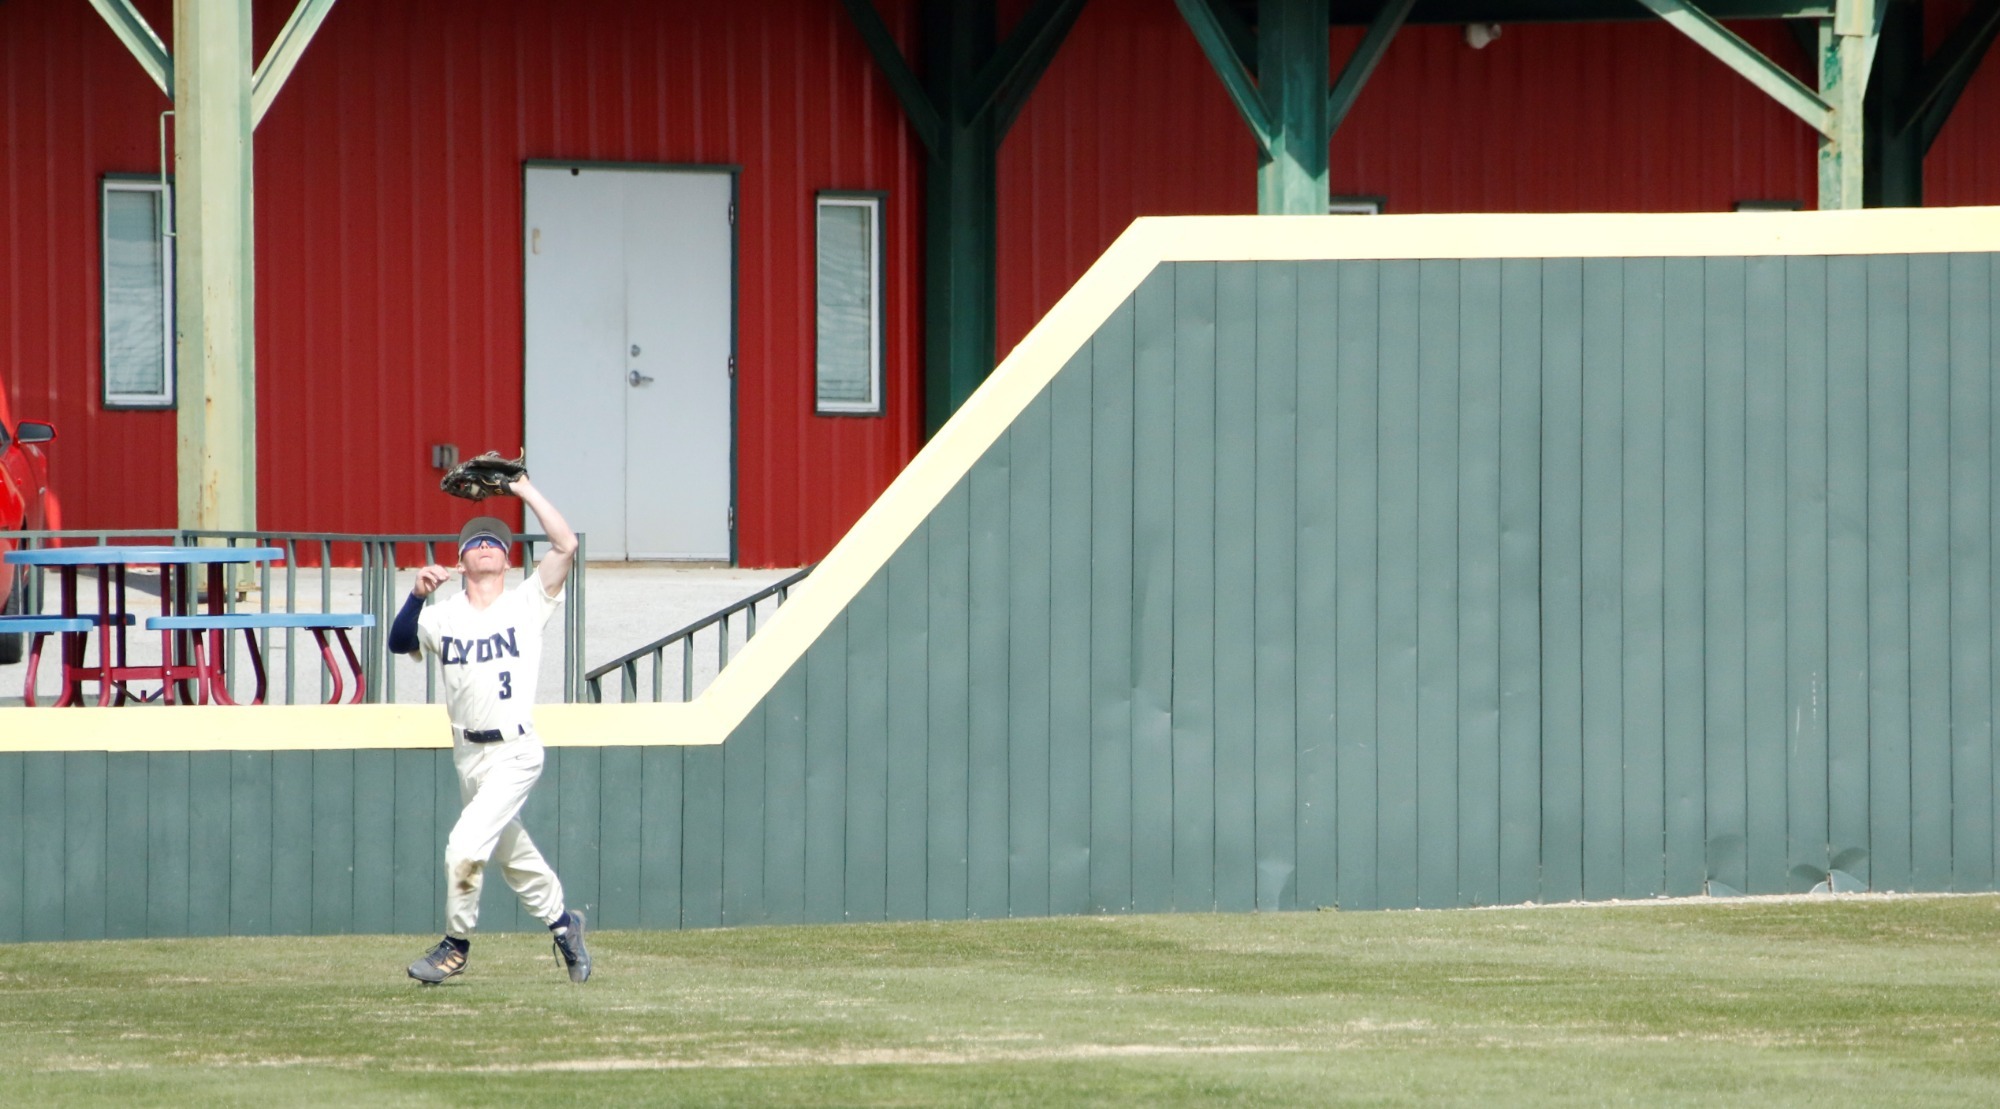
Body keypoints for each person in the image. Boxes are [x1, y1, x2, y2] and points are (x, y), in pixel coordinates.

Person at [388, 475, 591, 985]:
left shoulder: (527, 603)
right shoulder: (443, 616)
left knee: (464, 847)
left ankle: (455, 947)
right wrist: (415, 595)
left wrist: (522, 488)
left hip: (516, 751)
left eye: (494, 543)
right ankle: (565, 926)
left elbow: (566, 544)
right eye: (474, 542)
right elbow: (397, 643)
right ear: (461, 560)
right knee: (511, 855)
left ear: (507, 560)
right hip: (468, 757)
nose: (484, 547)